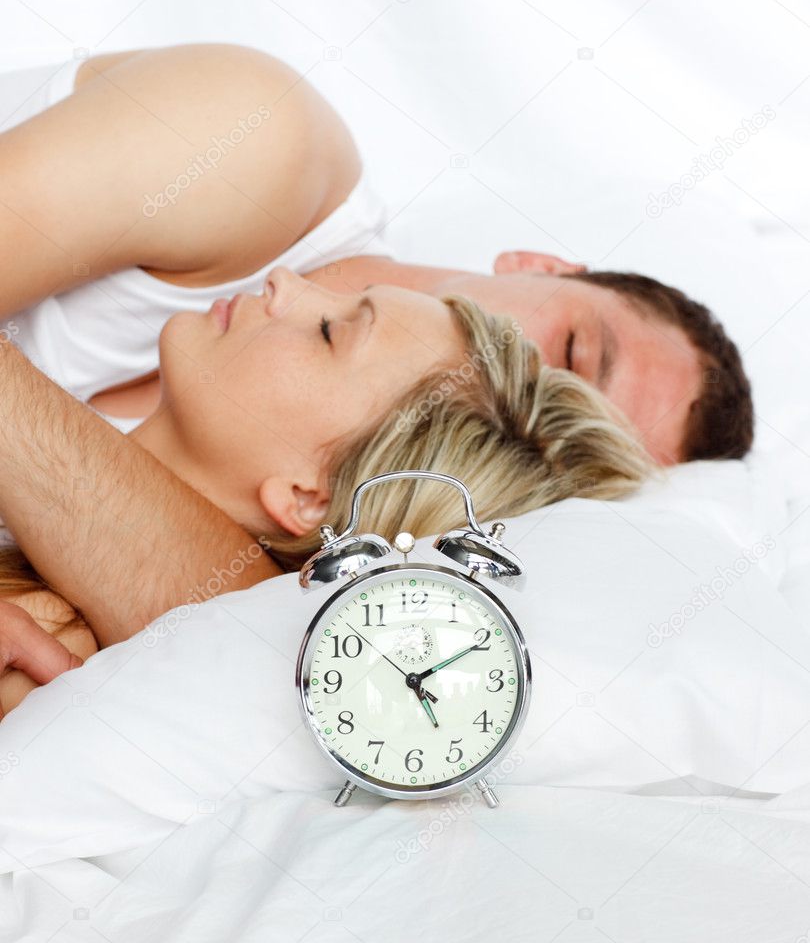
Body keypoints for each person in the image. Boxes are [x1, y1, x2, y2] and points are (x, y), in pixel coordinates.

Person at [0, 44, 752, 469]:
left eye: (563, 443)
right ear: (538, 266)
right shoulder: (261, 147)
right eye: (571, 357)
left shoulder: (302, 496)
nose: (523, 406)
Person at [0, 269, 650, 715]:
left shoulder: (43, 641)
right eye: (339, 300)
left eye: (330, 332)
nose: (285, 281)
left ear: (309, 498)